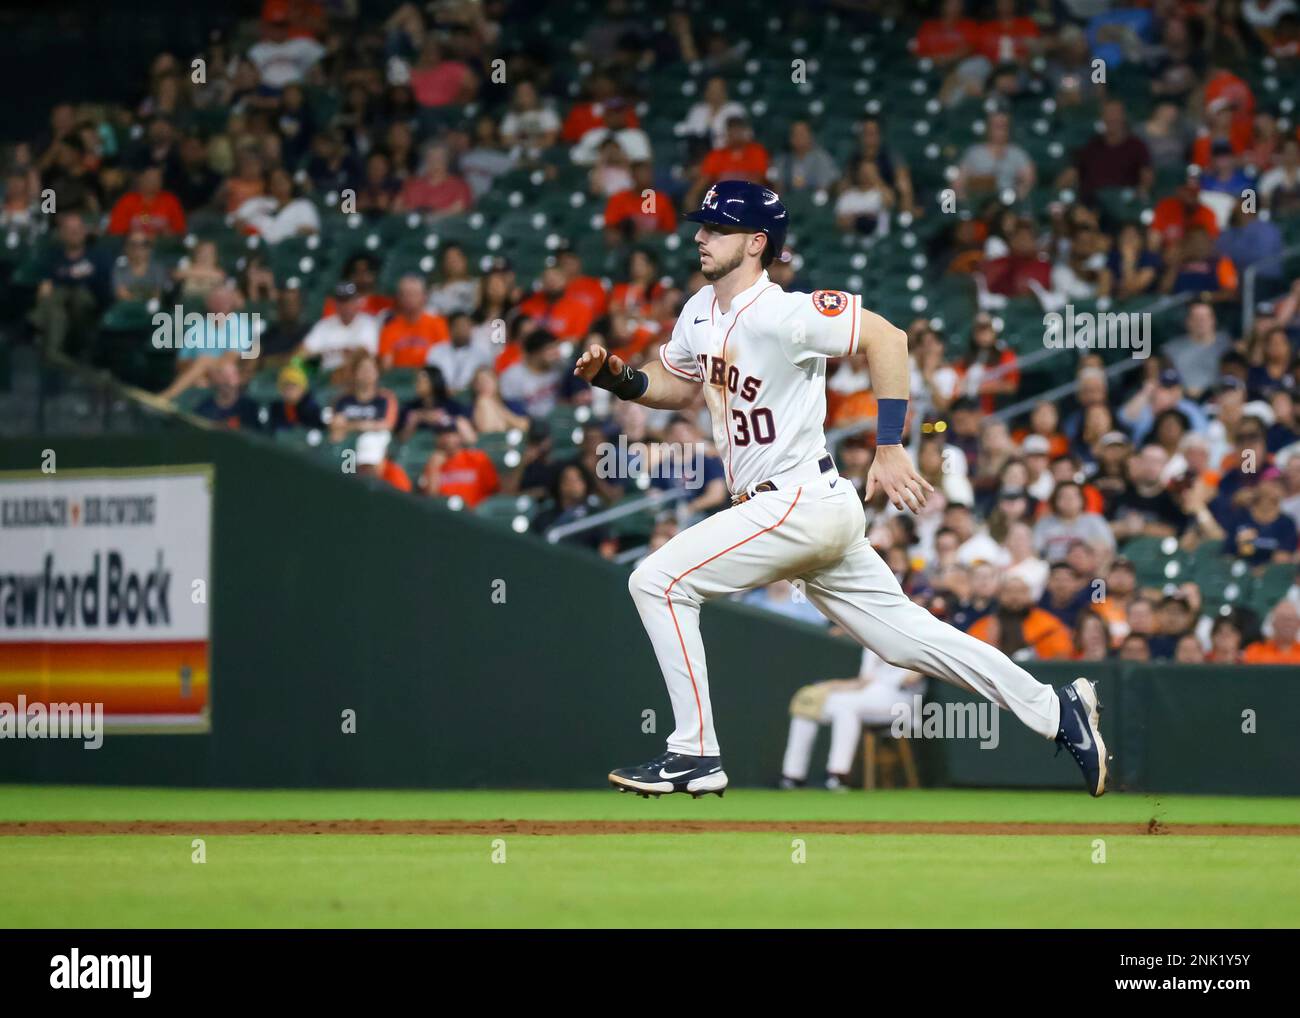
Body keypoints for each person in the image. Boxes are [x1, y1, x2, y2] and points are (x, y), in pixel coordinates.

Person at [575, 180, 1108, 799]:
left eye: (717, 228)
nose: (700, 235)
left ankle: (695, 752)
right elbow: (681, 385)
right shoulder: (699, 310)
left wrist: (888, 444)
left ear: (755, 243)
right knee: (907, 639)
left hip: (796, 499)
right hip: (803, 514)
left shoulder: (784, 311)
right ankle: (1055, 708)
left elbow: (889, 338)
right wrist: (621, 378)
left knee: (656, 581)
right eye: (703, 225)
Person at [779, 647, 924, 791]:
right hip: (868, 695)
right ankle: (792, 776)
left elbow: (912, 678)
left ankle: (838, 775)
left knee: (846, 707)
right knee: (807, 705)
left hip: (901, 701)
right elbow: (863, 682)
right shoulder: (872, 641)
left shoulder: (911, 636)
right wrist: (830, 686)